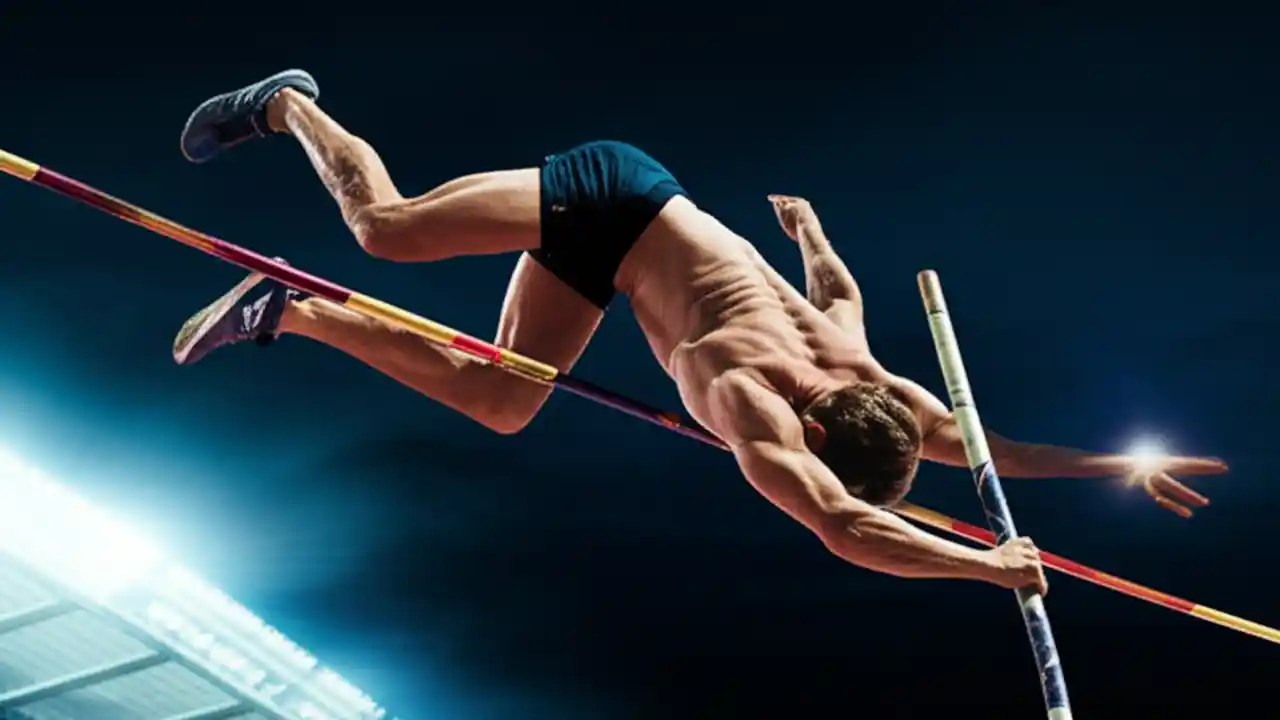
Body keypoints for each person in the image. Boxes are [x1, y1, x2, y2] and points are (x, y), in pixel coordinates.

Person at [172, 70, 1226, 597]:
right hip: (620, 202)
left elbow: (987, 445)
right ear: (813, 440)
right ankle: (287, 105)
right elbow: (845, 530)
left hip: (624, 260)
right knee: (386, 231)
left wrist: (1112, 469)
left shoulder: (877, 387)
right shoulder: (745, 397)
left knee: (500, 402)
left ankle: (291, 311)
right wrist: (987, 572)